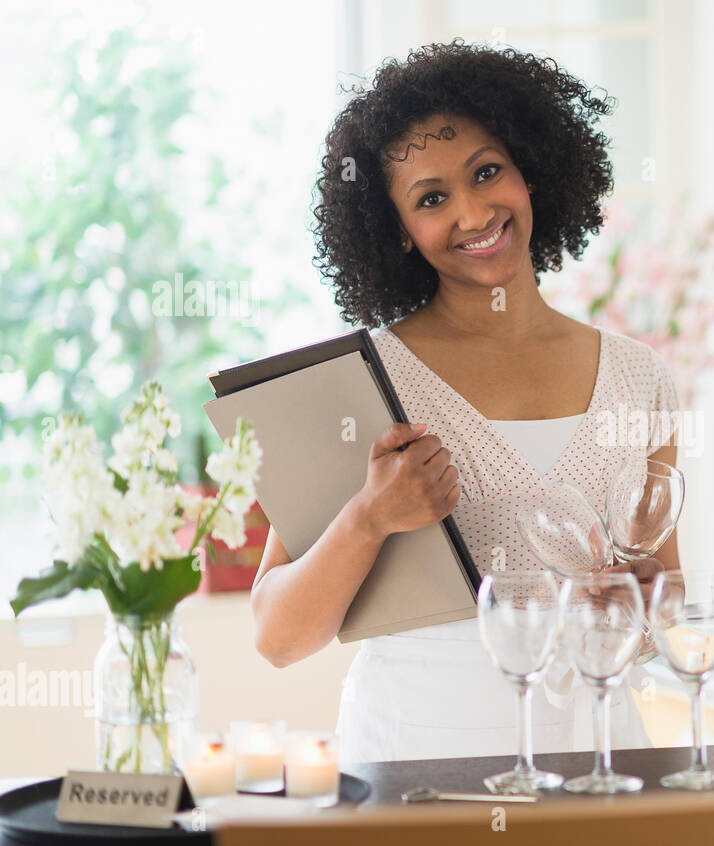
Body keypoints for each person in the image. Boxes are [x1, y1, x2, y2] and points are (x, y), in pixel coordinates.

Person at [249, 40, 681, 763]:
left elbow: (659, 603)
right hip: (417, 761)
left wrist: (634, 605)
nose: (475, 212)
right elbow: (278, 636)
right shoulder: (365, 381)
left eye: (488, 172)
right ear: (400, 235)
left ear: (531, 172)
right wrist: (370, 517)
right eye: (431, 198)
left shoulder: (641, 379)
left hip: (599, 756)